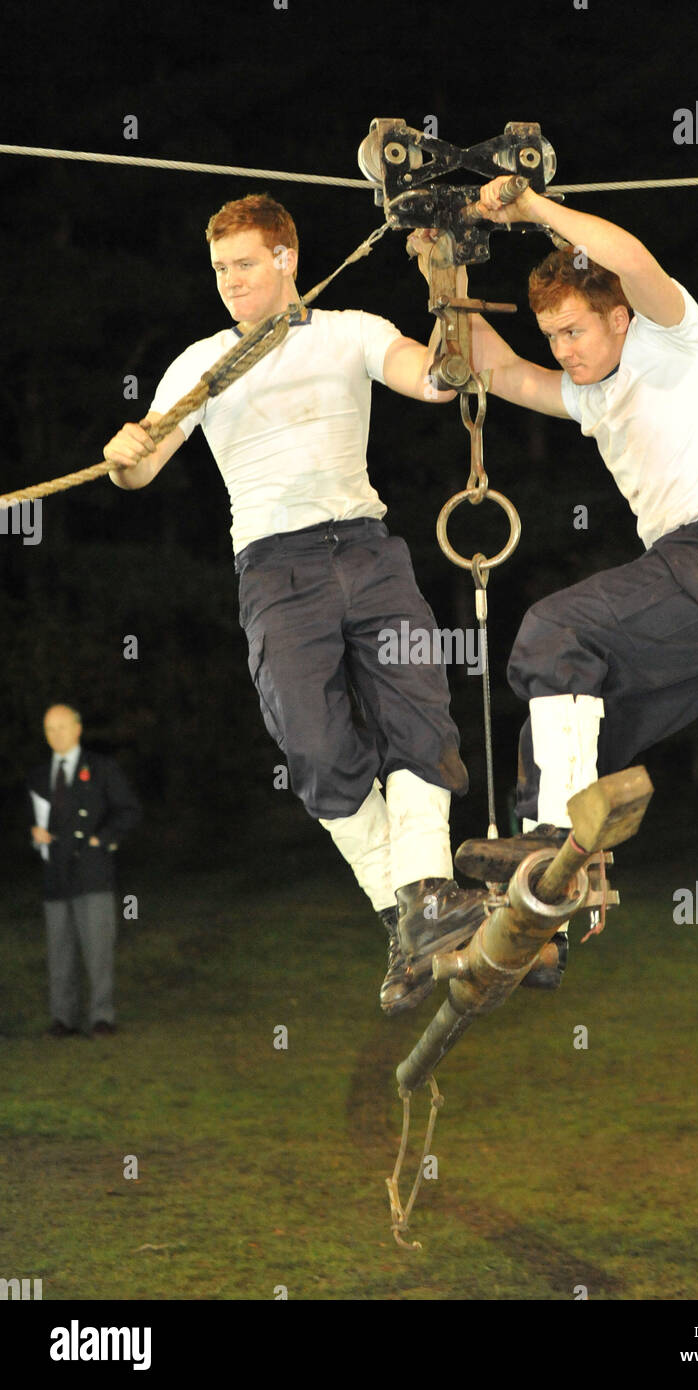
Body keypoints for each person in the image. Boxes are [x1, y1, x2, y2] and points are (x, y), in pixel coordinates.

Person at [102, 192, 530, 1016]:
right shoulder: (199, 365)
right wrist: (124, 455)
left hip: (367, 553)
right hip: (274, 571)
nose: (228, 281)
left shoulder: (352, 331)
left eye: (244, 264)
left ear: (287, 259)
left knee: (419, 722)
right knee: (315, 750)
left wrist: (446, 284)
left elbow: (436, 380)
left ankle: (427, 903)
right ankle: (409, 915)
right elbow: (141, 468)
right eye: (219, 267)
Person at [456, 177, 698, 970]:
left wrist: (532, 208)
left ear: (618, 317)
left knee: (553, 630)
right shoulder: (590, 394)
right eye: (552, 336)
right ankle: (544, 923)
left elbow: (630, 257)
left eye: (573, 331)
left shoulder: (669, 336)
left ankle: (543, 843)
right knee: (570, 731)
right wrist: (447, 269)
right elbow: (498, 373)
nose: (562, 350)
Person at [28, 704, 141, 1037]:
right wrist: (35, 836)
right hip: (55, 876)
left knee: (98, 950)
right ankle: (63, 1018)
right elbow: (32, 823)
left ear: (77, 729)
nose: (55, 735)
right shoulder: (38, 775)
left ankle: (101, 1017)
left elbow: (129, 810)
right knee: (59, 953)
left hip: (92, 874)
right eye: (49, 729)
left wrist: (102, 839)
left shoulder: (102, 768)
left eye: (61, 727)